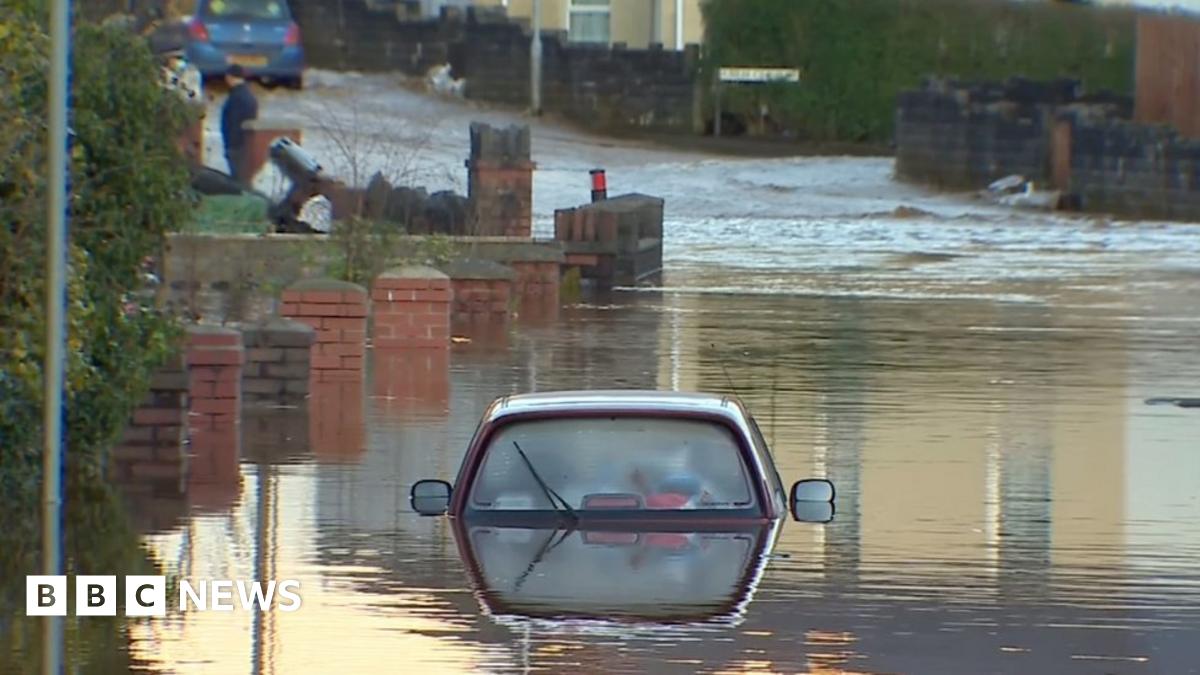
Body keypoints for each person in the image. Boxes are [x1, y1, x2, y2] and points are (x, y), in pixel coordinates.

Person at [220, 64, 258, 183]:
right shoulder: (248, 95)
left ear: (229, 77)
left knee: (239, 181)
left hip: (236, 146)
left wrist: (230, 146)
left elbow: (234, 122)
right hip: (245, 144)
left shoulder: (236, 96)